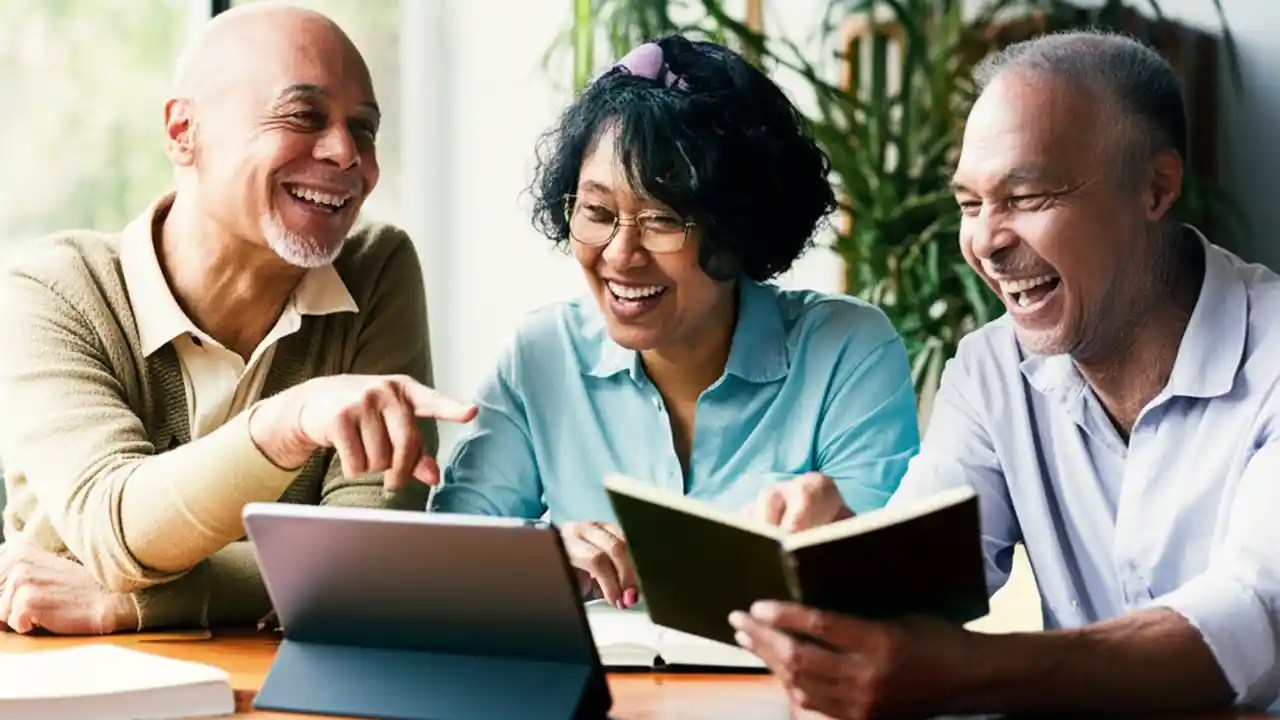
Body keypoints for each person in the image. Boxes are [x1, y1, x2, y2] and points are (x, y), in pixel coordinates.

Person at [727, 30, 1280, 717]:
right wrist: (837, 564)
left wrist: (971, 671)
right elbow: (920, 580)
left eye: (1028, 195)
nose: (986, 241)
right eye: (969, 204)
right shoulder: (993, 369)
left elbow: (1252, 620)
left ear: (1156, 187)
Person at [0, 4, 474, 635]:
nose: (345, 154)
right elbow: (115, 527)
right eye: (303, 116)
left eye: (364, 130)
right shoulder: (53, 290)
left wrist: (125, 601)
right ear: (182, 131)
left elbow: (366, 565)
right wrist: (288, 423)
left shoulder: (376, 268)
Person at [432, 35, 920, 609]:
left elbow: (885, 587)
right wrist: (540, 559)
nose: (620, 253)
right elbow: (446, 566)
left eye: (663, 218)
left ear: (736, 229)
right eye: (597, 212)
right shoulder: (541, 355)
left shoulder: (846, 350)